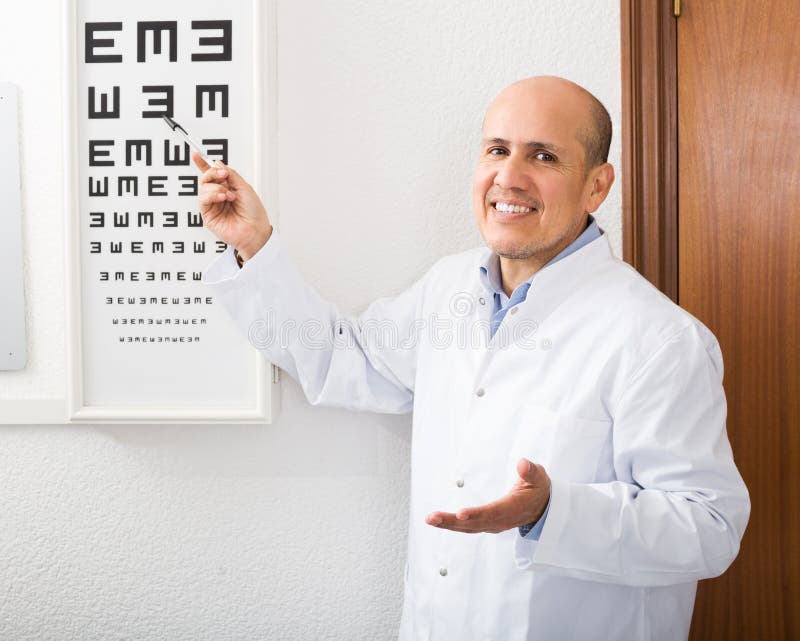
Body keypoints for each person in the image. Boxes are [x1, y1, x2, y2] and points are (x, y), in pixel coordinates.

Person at [194, 76, 750, 641]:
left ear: (596, 186)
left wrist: (553, 512)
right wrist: (254, 245)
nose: (509, 177)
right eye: (497, 149)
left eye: (545, 155)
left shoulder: (659, 339)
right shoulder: (448, 287)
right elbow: (343, 358)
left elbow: (709, 526)